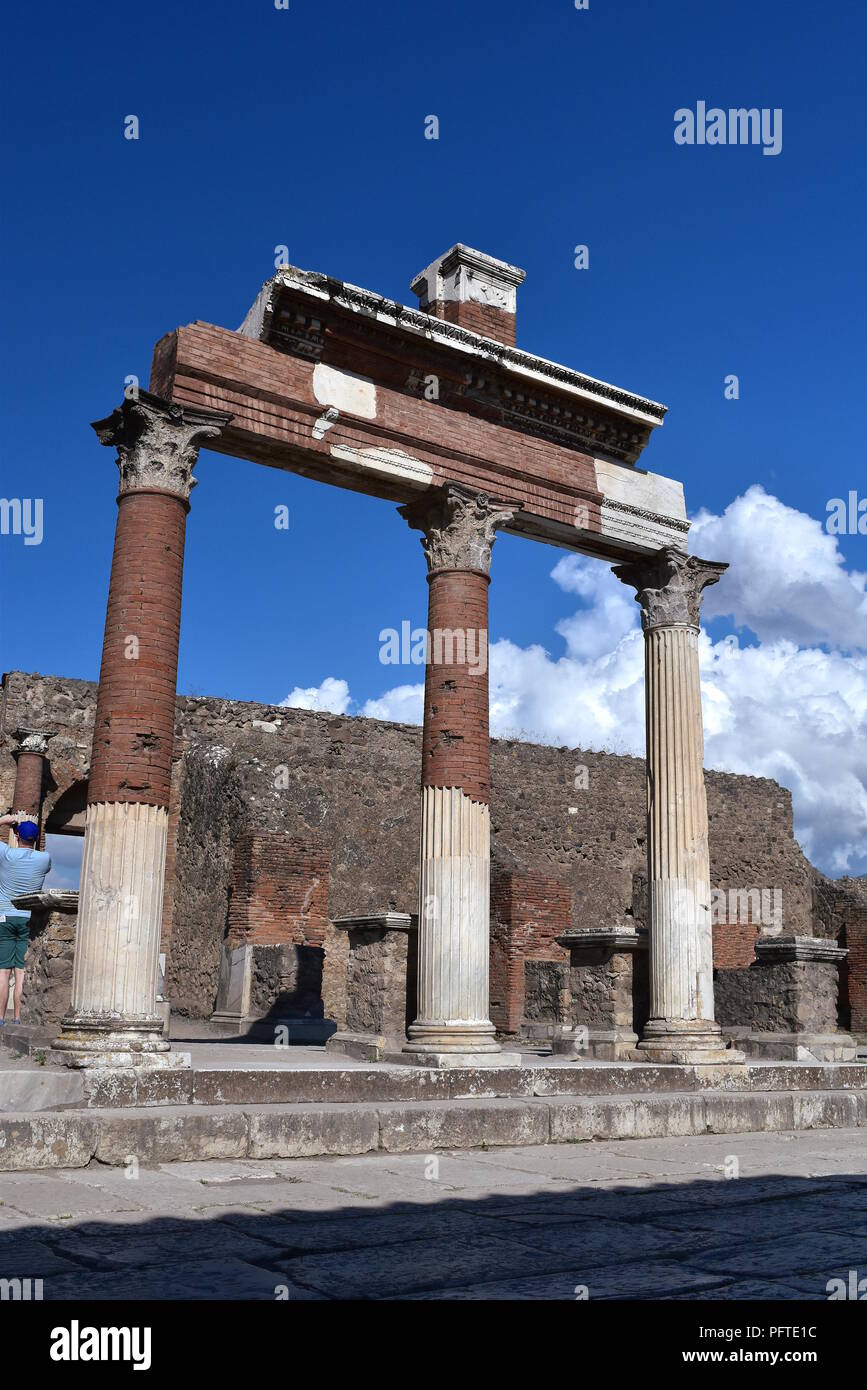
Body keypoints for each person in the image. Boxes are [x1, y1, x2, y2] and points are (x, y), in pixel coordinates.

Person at [0, 815, 51, 1025]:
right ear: (37, 839)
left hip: (4, 916)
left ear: (17, 836)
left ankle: (0, 1018)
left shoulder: (6, 854)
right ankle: (18, 1018)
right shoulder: (44, 858)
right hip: (29, 919)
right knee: (21, 971)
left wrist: (5, 820)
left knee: (3, 971)